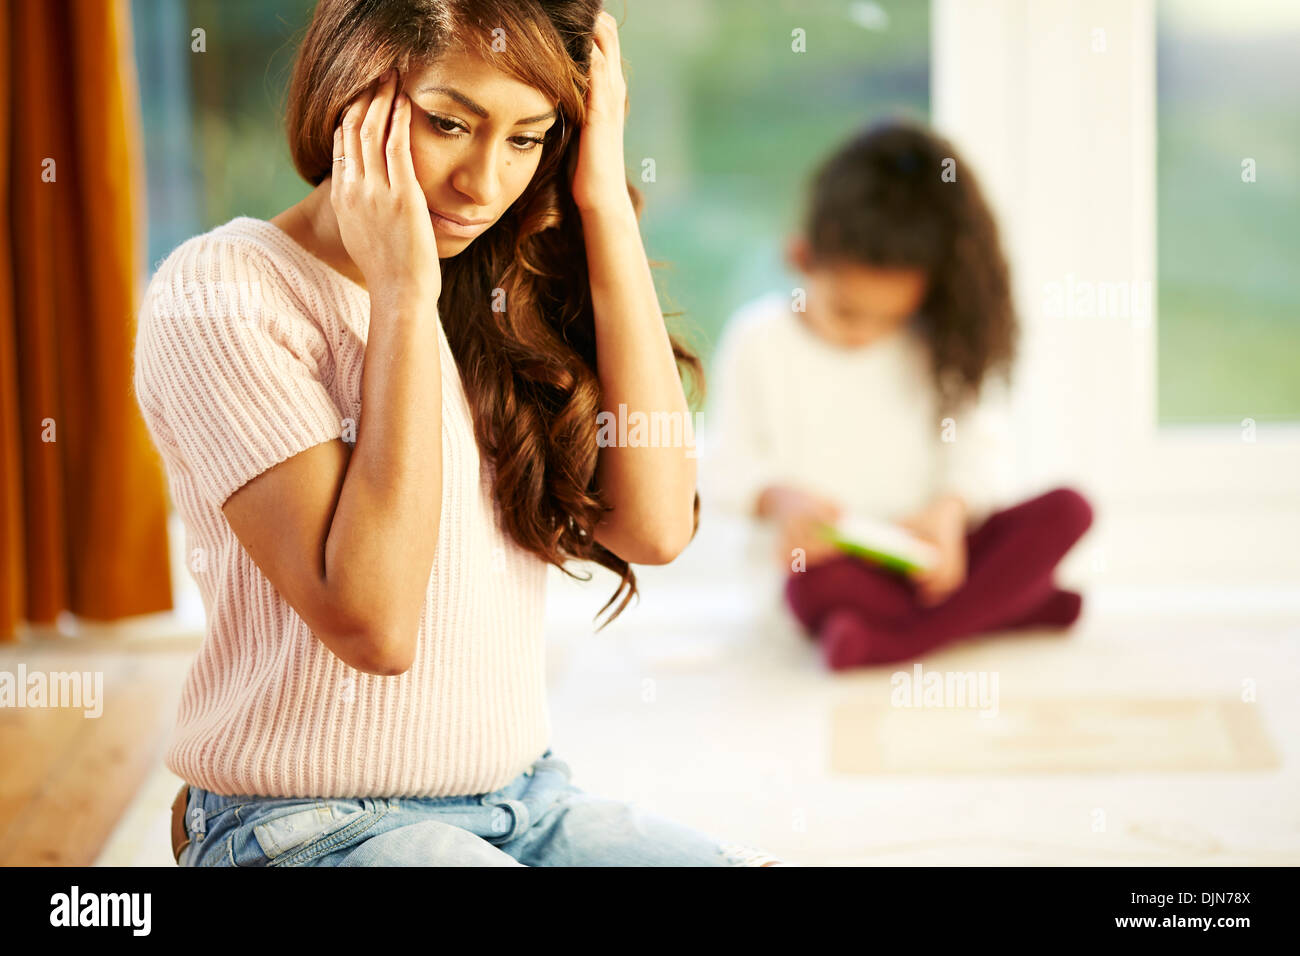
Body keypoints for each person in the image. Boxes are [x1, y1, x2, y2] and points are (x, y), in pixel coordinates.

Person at [135, 0, 784, 866]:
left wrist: (603, 204)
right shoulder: (222, 294)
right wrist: (400, 294)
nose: (483, 182)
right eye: (450, 123)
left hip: (528, 803)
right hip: (304, 823)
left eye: (527, 138)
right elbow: (375, 625)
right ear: (349, 87)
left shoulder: (495, 287)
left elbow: (655, 527)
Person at [703, 120, 1093, 671]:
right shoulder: (759, 341)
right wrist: (779, 500)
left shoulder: (935, 344)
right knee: (811, 591)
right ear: (802, 257)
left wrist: (949, 513)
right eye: (846, 311)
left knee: (1069, 511)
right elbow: (724, 466)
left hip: (931, 561)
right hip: (829, 568)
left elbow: (981, 453)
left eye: (889, 318)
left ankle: (895, 639)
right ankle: (1002, 607)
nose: (863, 334)